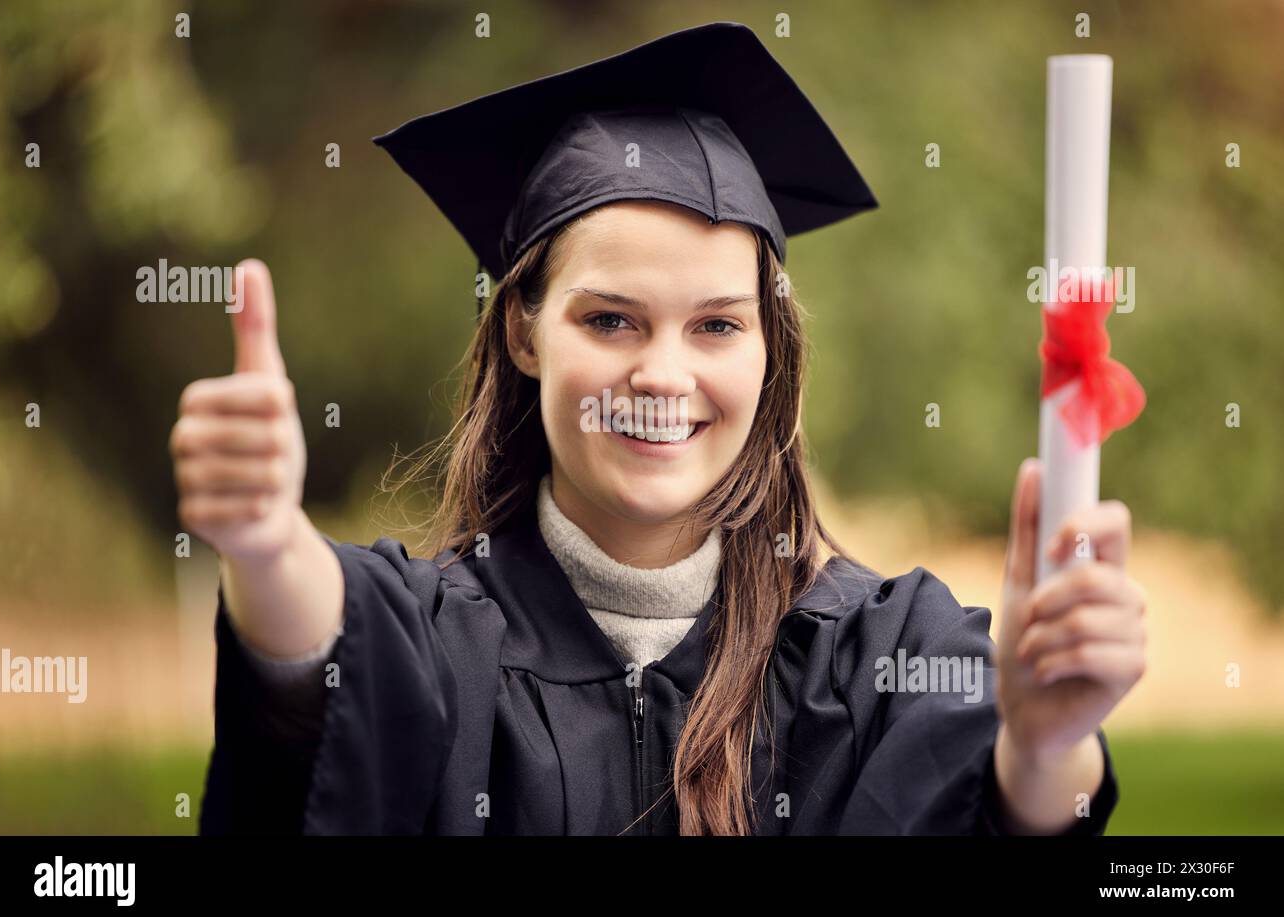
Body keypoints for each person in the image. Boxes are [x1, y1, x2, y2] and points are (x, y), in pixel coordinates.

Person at [175, 22, 1147, 835]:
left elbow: (1005, 811)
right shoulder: (430, 645)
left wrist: (1049, 742)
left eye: (716, 324)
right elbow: (316, 645)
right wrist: (264, 542)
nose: (663, 373)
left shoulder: (878, 656)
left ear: (769, 350)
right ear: (522, 330)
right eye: (609, 319)